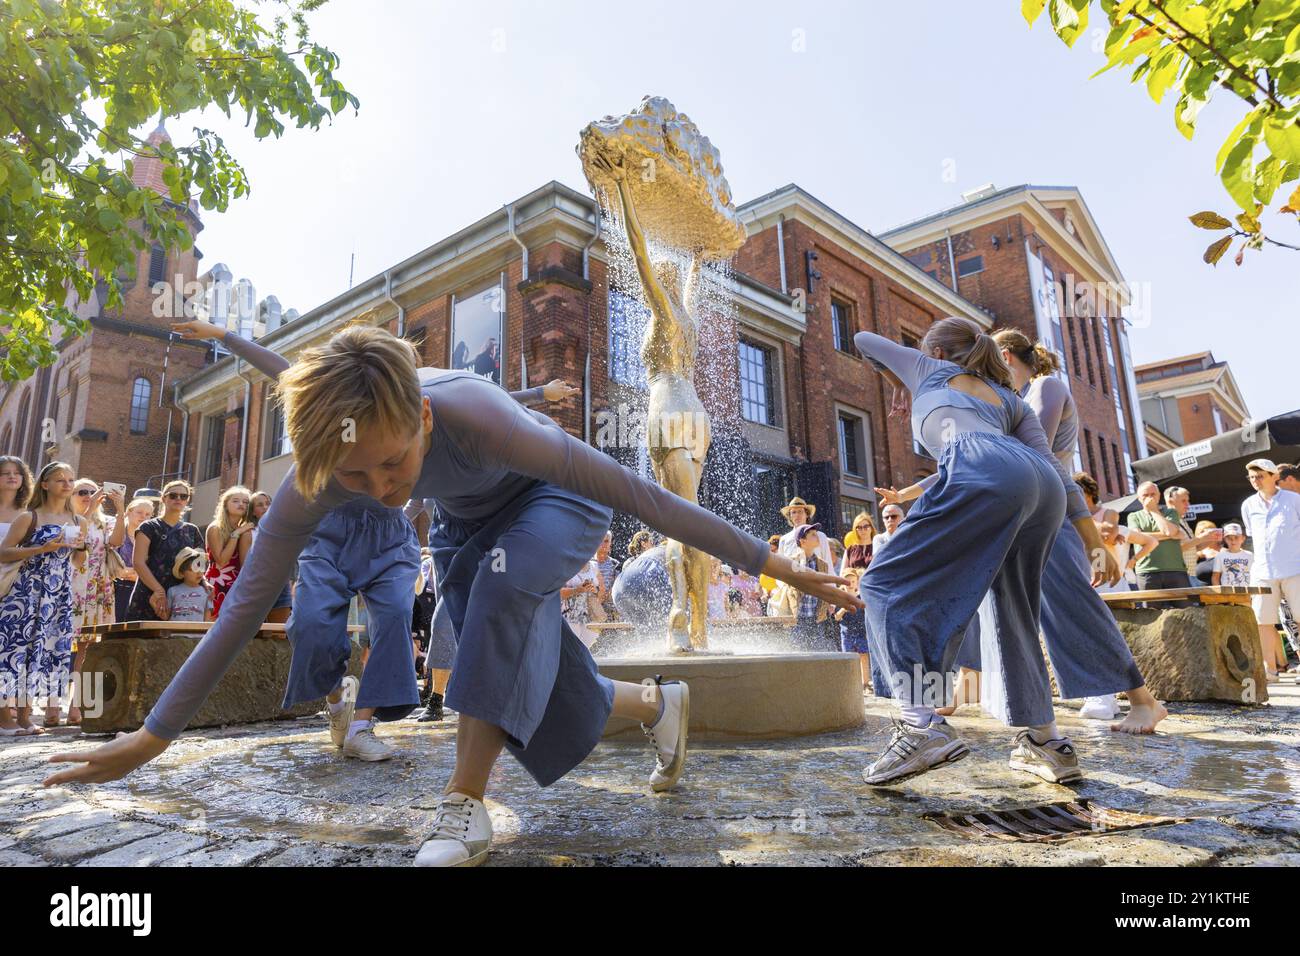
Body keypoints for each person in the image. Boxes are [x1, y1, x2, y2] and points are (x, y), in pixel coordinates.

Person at [46, 323, 855, 871]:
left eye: (393, 466)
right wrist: (149, 740)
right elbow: (243, 607)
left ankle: (464, 808)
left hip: (555, 498)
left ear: (424, 419)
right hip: (466, 528)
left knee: (498, 607)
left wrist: (771, 563)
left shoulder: (481, 418)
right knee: (518, 675)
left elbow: (643, 497)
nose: (378, 489)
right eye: (353, 480)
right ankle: (655, 705)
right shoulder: (324, 467)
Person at [853, 318, 1122, 787]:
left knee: (884, 584)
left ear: (936, 352)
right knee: (1012, 608)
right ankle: (1046, 742)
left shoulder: (927, 367)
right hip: (1042, 487)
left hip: (981, 468)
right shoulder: (1011, 401)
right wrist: (1093, 540)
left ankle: (921, 725)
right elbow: (1058, 472)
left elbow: (863, 341)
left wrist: (902, 376)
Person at [0, 461, 88, 732]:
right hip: (26, 592)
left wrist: (81, 547)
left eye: (70, 480)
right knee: (13, 652)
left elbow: (78, 561)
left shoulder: (78, 521)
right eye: (60, 479)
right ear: (45, 484)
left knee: (44, 653)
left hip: (58, 594)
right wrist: (40, 548)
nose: (67, 484)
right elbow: (4, 552)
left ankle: (25, 717)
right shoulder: (29, 517)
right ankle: (5, 719)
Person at [68, 478, 126, 723]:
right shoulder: (67, 519)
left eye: (93, 492)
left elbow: (117, 542)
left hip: (97, 589)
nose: (88, 495)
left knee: (86, 650)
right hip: (69, 587)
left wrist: (121, 509)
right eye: (82, 491)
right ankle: (51, 707)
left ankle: (75, 706)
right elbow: (73, 545)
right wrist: (88, 510)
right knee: (59, 647)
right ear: (71, 495)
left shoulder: (107, 522)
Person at [1241, 459, 1300, 677]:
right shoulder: (1248, 505)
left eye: (1260, 476)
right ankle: (1270, 670)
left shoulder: (1294, 500)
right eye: (1252, 477)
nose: (1255, 481)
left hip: (1295, 567)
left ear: (1274, 476)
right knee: (1263, 620)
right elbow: (1252, 536)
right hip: (1263, 571)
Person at [125, 479, 204, 621]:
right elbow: (138, 563)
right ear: (164, 498)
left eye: (183, 496)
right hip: (148, 593)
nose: (178, 499)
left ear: (187, 501)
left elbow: (199, 565)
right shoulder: (148, 527)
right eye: (173, 495)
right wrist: (159, 591)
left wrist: (204, 583)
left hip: (181, 597)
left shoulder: (192, 530)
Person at [0, 455, 36, 736]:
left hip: (19, 586)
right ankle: (4, 718)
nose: (12, 477)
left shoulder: (28, 513)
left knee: (15, 651)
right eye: (5, 472)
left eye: (17, 473)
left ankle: (18, 714)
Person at [1127, 482, 1192, 590]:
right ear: (1139, 498)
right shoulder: (1134, 516)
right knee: (1149, 607)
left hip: (1175, 569)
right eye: (1145, 495)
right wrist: (1171, 535)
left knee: (1184, 607)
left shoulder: (1170, 512)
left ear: (1159, 496)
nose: (1150, 498)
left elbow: (1169, 531)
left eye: (1153, 494)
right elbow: (1138, 538)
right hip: (1146, 570)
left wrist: (1153, 510)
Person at [244, 490, 293, 623]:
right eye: (260, 505)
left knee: (279, 633)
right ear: (253, 511)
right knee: (259, 634)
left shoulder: (283, 532)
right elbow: (245, 565)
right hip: (257, 586)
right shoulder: (249, 533)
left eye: (268, 504)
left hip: (281, 586)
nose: (265, 507)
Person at [205, 486, 254, 618]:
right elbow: (221, 561)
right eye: (236, 501)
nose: (241, 504)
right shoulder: (216, 527)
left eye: (245, 502)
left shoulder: (244, 529)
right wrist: (236, 534)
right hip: (218, 583)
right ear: (225, 505)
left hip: (239, 582)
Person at [113, 497, 156, 622]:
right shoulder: (119, 531)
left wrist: (139, 575)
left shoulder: (152, 537)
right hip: (116, 588)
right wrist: (120, 571)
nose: (143, 516)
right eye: (139, 512)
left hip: (141, 589)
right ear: (129, 512)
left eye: (148, 514)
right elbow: (108, 558)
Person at [834, 566, 871, 689]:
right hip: (847, 632)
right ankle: (850, 682)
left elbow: (867, 614)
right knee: (848, 657)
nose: (850, 584)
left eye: (853, 581)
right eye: (847, 581)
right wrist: (844, 609)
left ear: (857, 582)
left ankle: (865, 682)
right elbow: (836, 617)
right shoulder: (840, 597)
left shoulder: (862, 597)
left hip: (861, 631)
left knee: (864, 656)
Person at [560, 553, 602, 650]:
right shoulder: (565, 565)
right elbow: (556, 592)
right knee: (572, 650)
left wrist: (594, 590)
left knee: (588, 650)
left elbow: (600, 589)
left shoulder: (594, 566)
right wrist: (577, 590)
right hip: (569, 617)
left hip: (590, 616)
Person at [778, 497, 832, 569]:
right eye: (793, 512)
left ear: (807, 514)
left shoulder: (820, 536)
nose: (797, 515)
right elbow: (780, 568)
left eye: (800, 511)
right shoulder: (784, 540)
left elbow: (829, 566)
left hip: (817, 579)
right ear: (790, 516)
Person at [166, 548, 213, 623]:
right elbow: (165, 616)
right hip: (175, 633)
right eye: (193, 569)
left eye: (201, 568)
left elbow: (207, 620)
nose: (199, 572)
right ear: (182, 573)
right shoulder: (172, 591)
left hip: (196, 634)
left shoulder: (207, 592)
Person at [1211, 523, 1253, 587]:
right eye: (1229, 537)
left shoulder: (1250, 555)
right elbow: (1215, 577)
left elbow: (1255, 575)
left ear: (1243, 538)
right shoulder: (1220, 556)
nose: (1233, 540)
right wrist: (1220, 594)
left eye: (1236, 537)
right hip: (1227, 594)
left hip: (1246, 593)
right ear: (1225, 539)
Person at [1192, 519, 1221, 585]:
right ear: (1197, 535)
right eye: (1202, 532)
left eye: (1209, 532)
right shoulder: (1194, 554)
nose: (1206, 535)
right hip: (1200, 592)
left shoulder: (1225, 552)